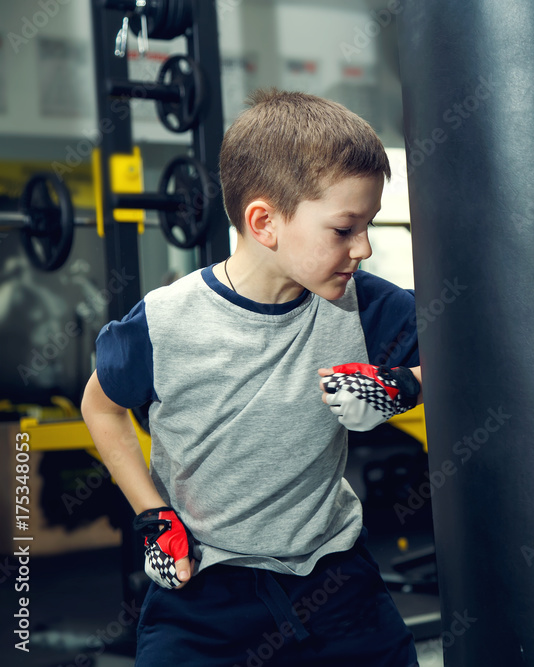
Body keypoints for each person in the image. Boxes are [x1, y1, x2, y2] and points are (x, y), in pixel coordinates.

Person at [81, 89, 422, 666]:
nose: (363, 248)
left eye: (368, 226)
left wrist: (404, 386)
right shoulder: (165, 323)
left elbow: (468, 354)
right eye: (344, 229)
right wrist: (151, 513)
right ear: (264, 222)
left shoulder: (362, 305)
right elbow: (101, 405)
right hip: (204, 594)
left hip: (336, 580)